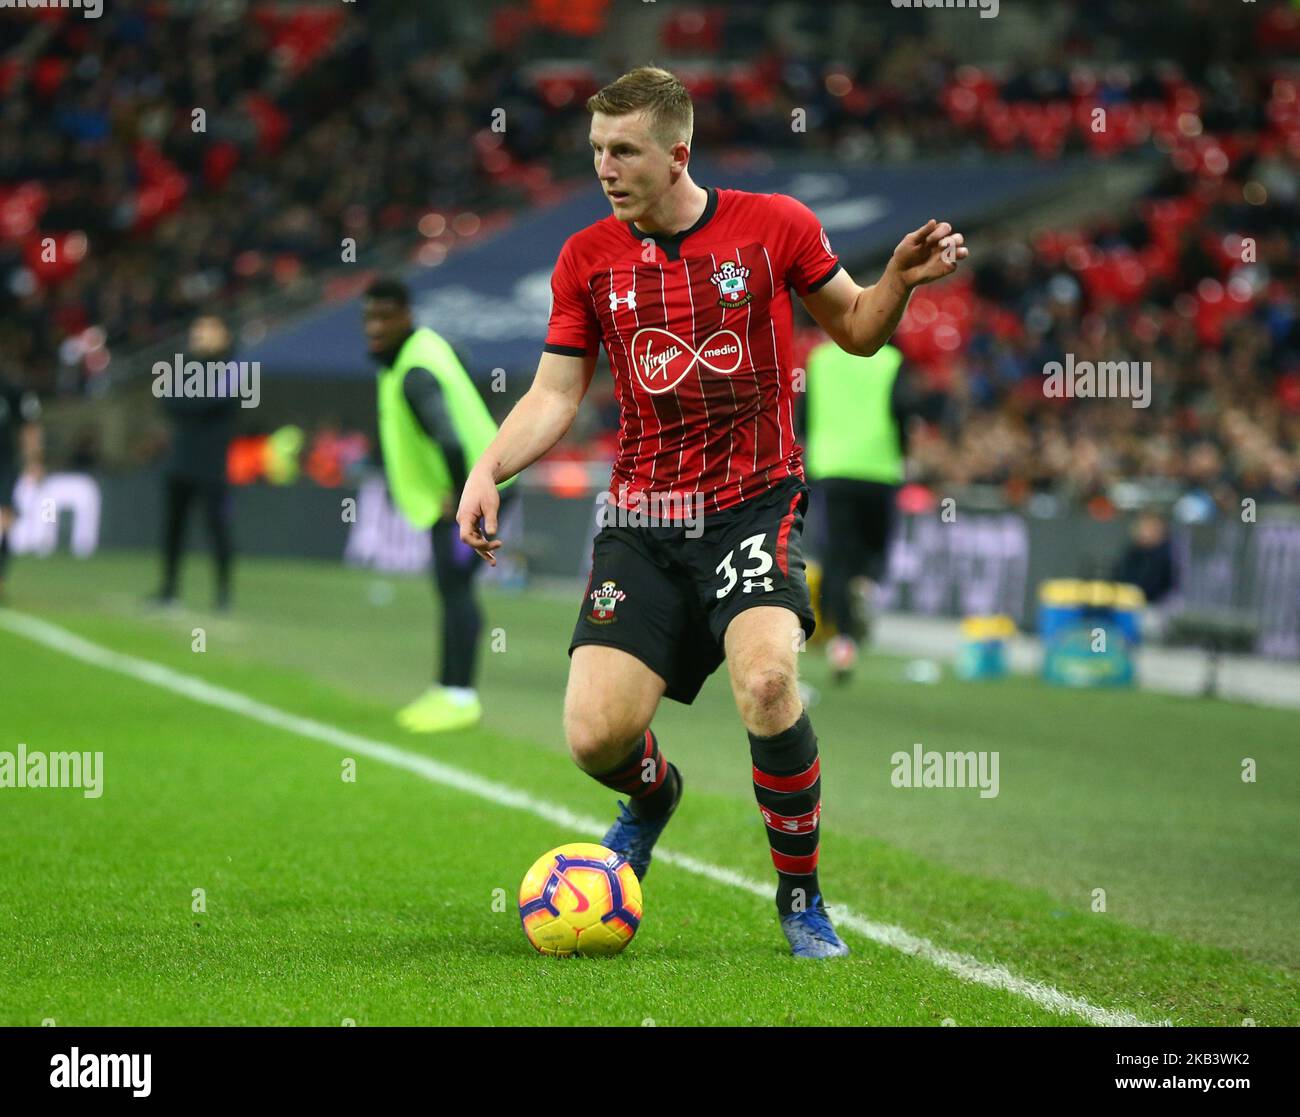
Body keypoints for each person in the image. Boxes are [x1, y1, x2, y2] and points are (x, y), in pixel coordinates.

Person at [457, 67, 966, 957]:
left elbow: (855, 328)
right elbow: (554, 391)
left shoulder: (775, 228)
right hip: (645, 518)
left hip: (751, 504)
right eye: (596, 152)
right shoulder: (586, 257)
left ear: (677, 154)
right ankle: (653, 795)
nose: (605, 169)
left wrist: (897, 281)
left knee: (768, 682)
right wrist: (488, 467)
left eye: (623, 151)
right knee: (594, 737)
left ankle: (800, 896)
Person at [364, 277, 514, 733]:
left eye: (384, 318)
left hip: (473, 492)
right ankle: (446, 687)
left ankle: (458, 695)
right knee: (450, 587)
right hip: (481, 482)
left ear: (406, 316)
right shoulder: (426, 348)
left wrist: (459, 497)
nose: (374, 327)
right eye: (368, 318)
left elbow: (448, 437)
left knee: (455, 589)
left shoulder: (414, 373)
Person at [804, 340, 910, 683]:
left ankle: (843, 643)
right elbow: (904, 410)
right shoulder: (891, 361)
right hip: (880, 469)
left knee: (836, 558)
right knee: (875, 547)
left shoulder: (819, 360)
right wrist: (904, 451)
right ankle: (866, 582)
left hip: (832, 469)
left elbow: (802, 416)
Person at [152, 314, 240, 612]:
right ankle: (168, 589)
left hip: (212, 463)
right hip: (179, 461)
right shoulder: (183, 366)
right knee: (172, 528)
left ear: (224, 336)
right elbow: (169, 401)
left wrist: (187, 398)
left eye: (207, 330)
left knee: (217, 529)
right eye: (197, 329)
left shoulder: (234, 369)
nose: (199, 335)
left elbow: (206, 403)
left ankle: (223, 594)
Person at [0, 370, 43, 603]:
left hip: (4, 463)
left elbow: (29, 425)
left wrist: (34, 460)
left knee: (4, 518)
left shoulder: (11, 388)